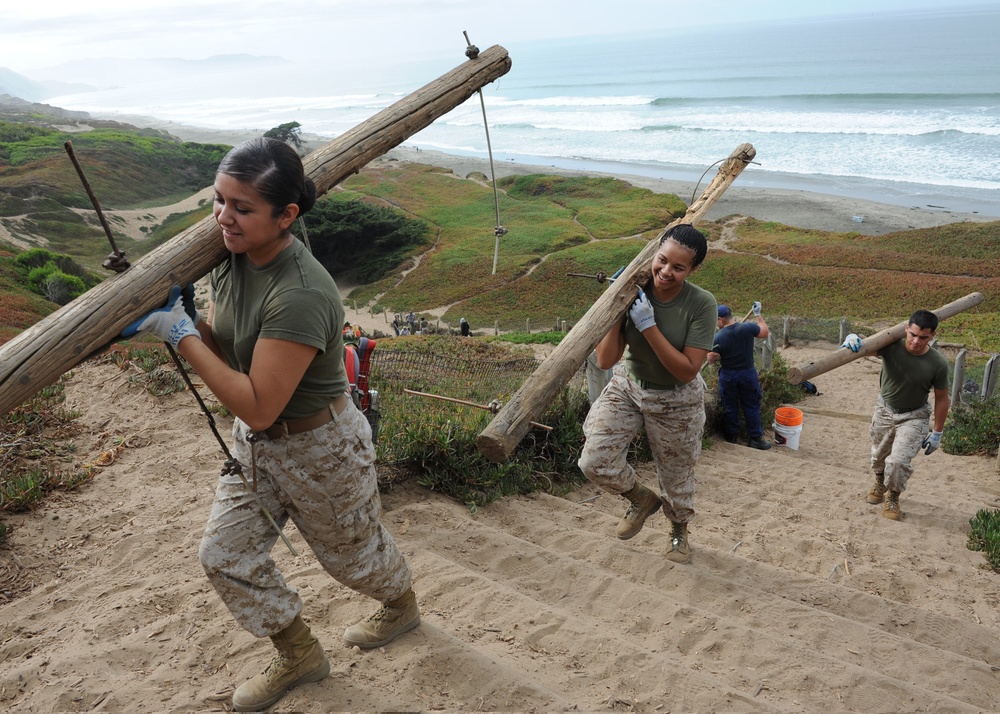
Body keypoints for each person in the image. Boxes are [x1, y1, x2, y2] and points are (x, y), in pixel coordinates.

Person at [121, 138, 419, 711]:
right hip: (256, 445)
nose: (222, 218)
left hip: (321, 447)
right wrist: (187, 319)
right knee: (223, 553)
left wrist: (177, 333)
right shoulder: (232, 255)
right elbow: (229, 351)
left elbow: (258, 402)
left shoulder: (301, 292)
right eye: (218, 200)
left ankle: (402, 605)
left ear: (286, 216)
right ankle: (299, 652)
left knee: (351, 560)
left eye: (241, 207)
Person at [577, 224, 716, 564]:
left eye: (678, 267)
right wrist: (616, 304)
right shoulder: (635, 291)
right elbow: (606, 359)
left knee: (676, 473)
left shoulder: (701, 304)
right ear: (654, 254)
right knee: (594, 460)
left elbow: (686, 369)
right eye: (662, 260)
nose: (666, 272)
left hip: (676, 398)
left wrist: (648, 325)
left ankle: (679, 529)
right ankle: (640, 498)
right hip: (629, 384)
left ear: (692, 270)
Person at [843, 310, 950, 521]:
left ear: (933, 335)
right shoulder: (891, 345)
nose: (916, 341)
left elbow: (942, 398)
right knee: (879, 455)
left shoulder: (938, 363)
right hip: (885, 409)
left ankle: (893, 495)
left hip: (915, 415)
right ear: (906, 329)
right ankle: (880, 481)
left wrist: (937, 432)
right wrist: (853, 340)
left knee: (899, 460)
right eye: (913, 334)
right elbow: (863, 350)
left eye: (923, 337)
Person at [706, 302, 772, 450]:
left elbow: (711, 360)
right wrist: (758, 315)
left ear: (721, 320)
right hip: (748, 373)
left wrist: (713, 354)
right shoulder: (748, 327)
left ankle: (732, 436)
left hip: (729, 375)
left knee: (730, 405)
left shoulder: (718, 337)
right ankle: (755, 438)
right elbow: (764, 332)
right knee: (751, 405)